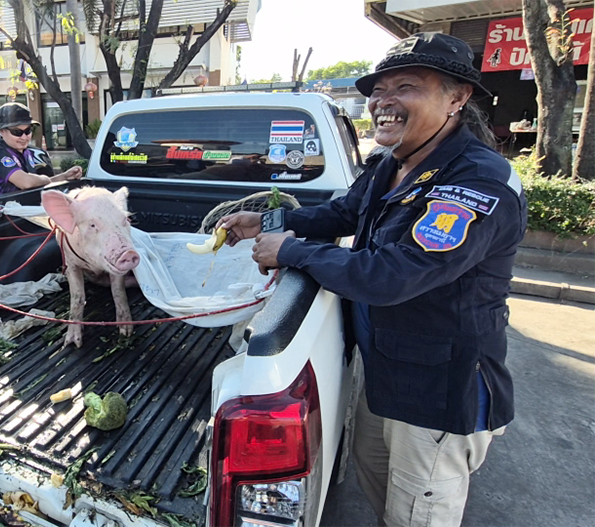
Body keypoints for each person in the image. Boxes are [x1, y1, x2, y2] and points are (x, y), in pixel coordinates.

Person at [221, 33, 527, 527]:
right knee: (377, 482)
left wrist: (292, 250)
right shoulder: (392, 164)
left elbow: (392, 275)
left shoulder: (476, 182)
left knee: (417, 514)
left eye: (406, 87)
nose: (383, 103)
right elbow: (342, 214)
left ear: (457, 97)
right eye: (378, 91)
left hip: (437, 393)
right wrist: (268, 224)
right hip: (386, 373)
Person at [0, 103, 82, 195]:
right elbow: (26, 183)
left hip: (29, 205)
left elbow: (37, 183)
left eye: (27, 131)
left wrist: (64, 176)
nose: (24, 137)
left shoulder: (27, 152)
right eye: (17, 132)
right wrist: (45, 178)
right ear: (2, 131)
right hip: (9, 208)